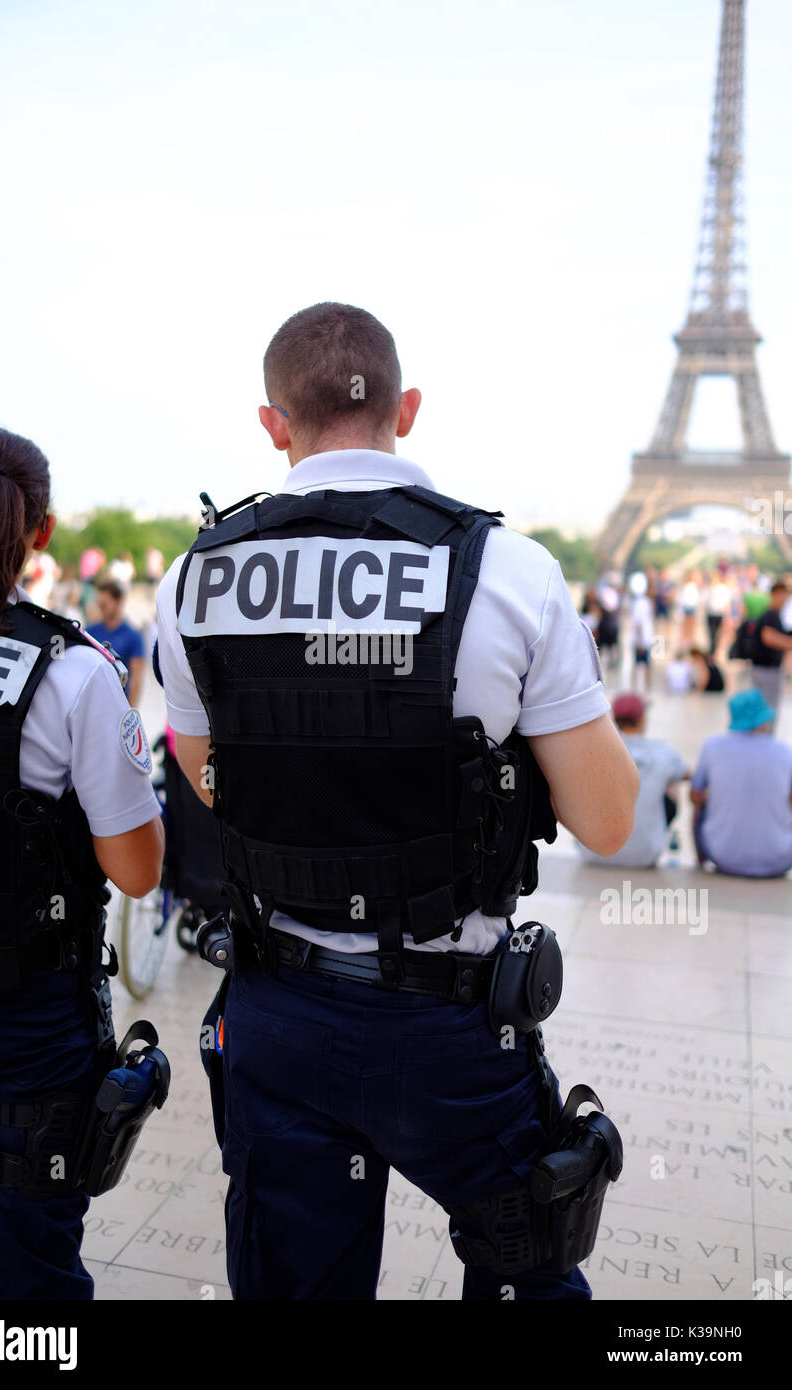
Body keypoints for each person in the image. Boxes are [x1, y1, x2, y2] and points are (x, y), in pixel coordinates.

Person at [155, 301, 638, 1301]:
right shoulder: (508, 571)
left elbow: (206, 783)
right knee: (527, 1266)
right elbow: (607, 821)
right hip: (449, 1023)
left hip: (274, 1008)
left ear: (271, 423)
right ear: (404, 409)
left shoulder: (195, 575)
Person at [0, 425, 164, 1299]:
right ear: (43, 530)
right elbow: (137, 872)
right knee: (31, 1277)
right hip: (27, 1010)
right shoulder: (78, 672)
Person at [576, 693, 687, 869]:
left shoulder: (593, 747)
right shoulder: (663, 751)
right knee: (671, 784)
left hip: (592, 852)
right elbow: (686, 774)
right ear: (642, 718)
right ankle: (656, 836)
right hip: (645, 856)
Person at [691, 688, 792, 878]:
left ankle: (700, 859)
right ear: (764, 721)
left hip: (722, 857)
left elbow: (694, 796)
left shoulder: (713, 746)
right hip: (780, 859)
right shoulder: (785, 752)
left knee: (700, 799)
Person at [87, 577, 147, 708]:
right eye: (99, 604)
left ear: (118, 600)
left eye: (104, 605)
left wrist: (131, 712)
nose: (101, 609)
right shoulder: (90, 633)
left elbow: (136, 680)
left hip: (119, 706)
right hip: (93, 705)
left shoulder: (133, 636)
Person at [750, 582, 792, 731]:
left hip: (766, 668)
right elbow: (768, 637)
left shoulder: (774, 615)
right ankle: (765, 741)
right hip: (767, 669)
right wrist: (788, 643)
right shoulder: (771, 615)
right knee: (768, 707)